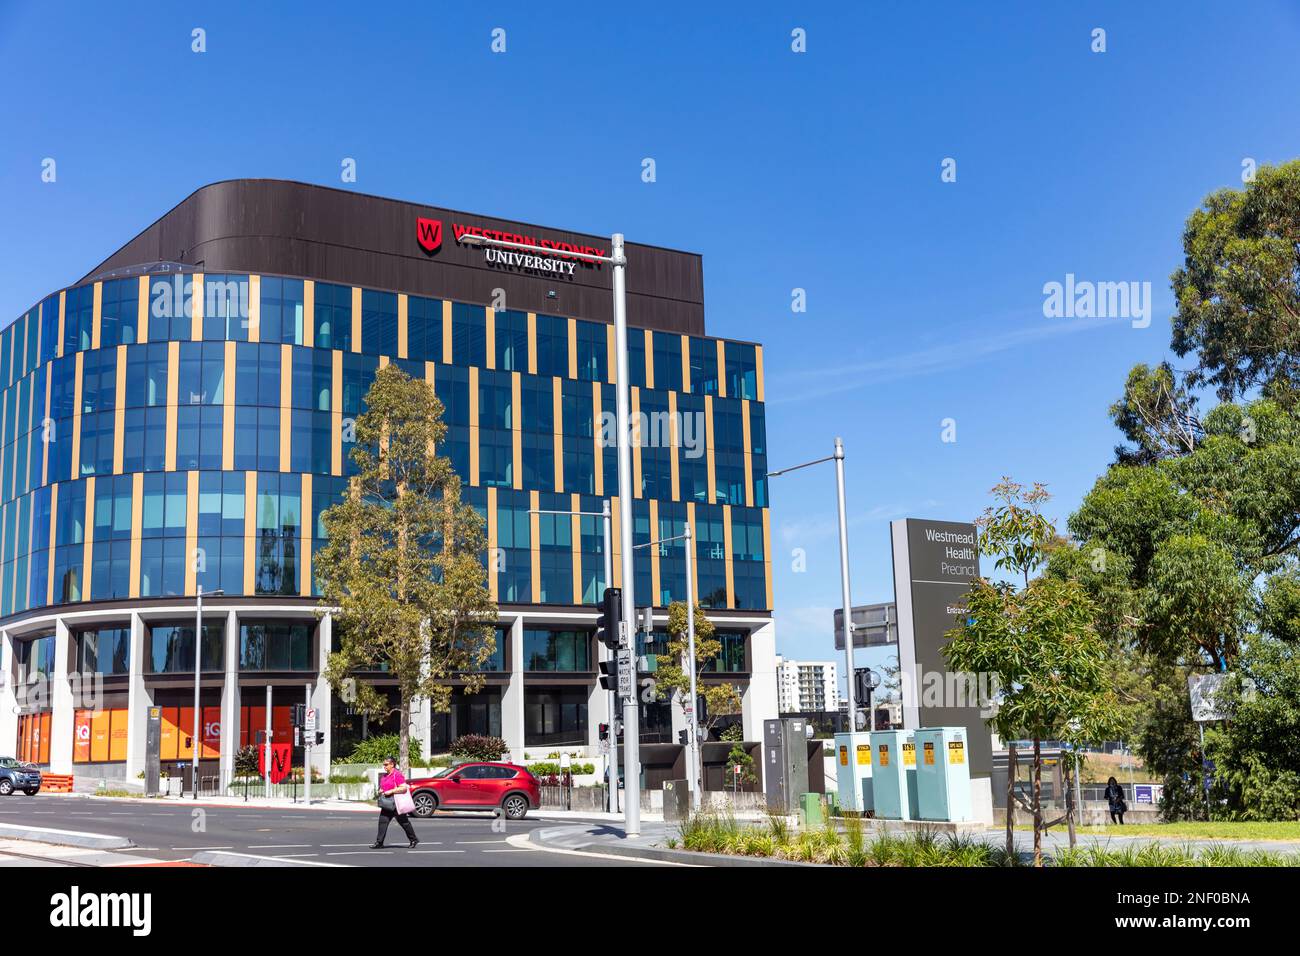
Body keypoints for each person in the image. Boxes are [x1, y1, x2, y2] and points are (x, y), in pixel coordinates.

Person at [371, 756, 419, 849]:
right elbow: (383, 787)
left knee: (404, 823)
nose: (384, 766)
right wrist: (381, 790)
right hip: (387, 803)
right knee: (382, 822)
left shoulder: (397, 774)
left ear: (392, 764)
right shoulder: (384, 776)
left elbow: (404, 788)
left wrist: (392, 791)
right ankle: (379, 843)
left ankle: (413, 840)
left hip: (396, 803)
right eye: (383, 764)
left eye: (386, 764)